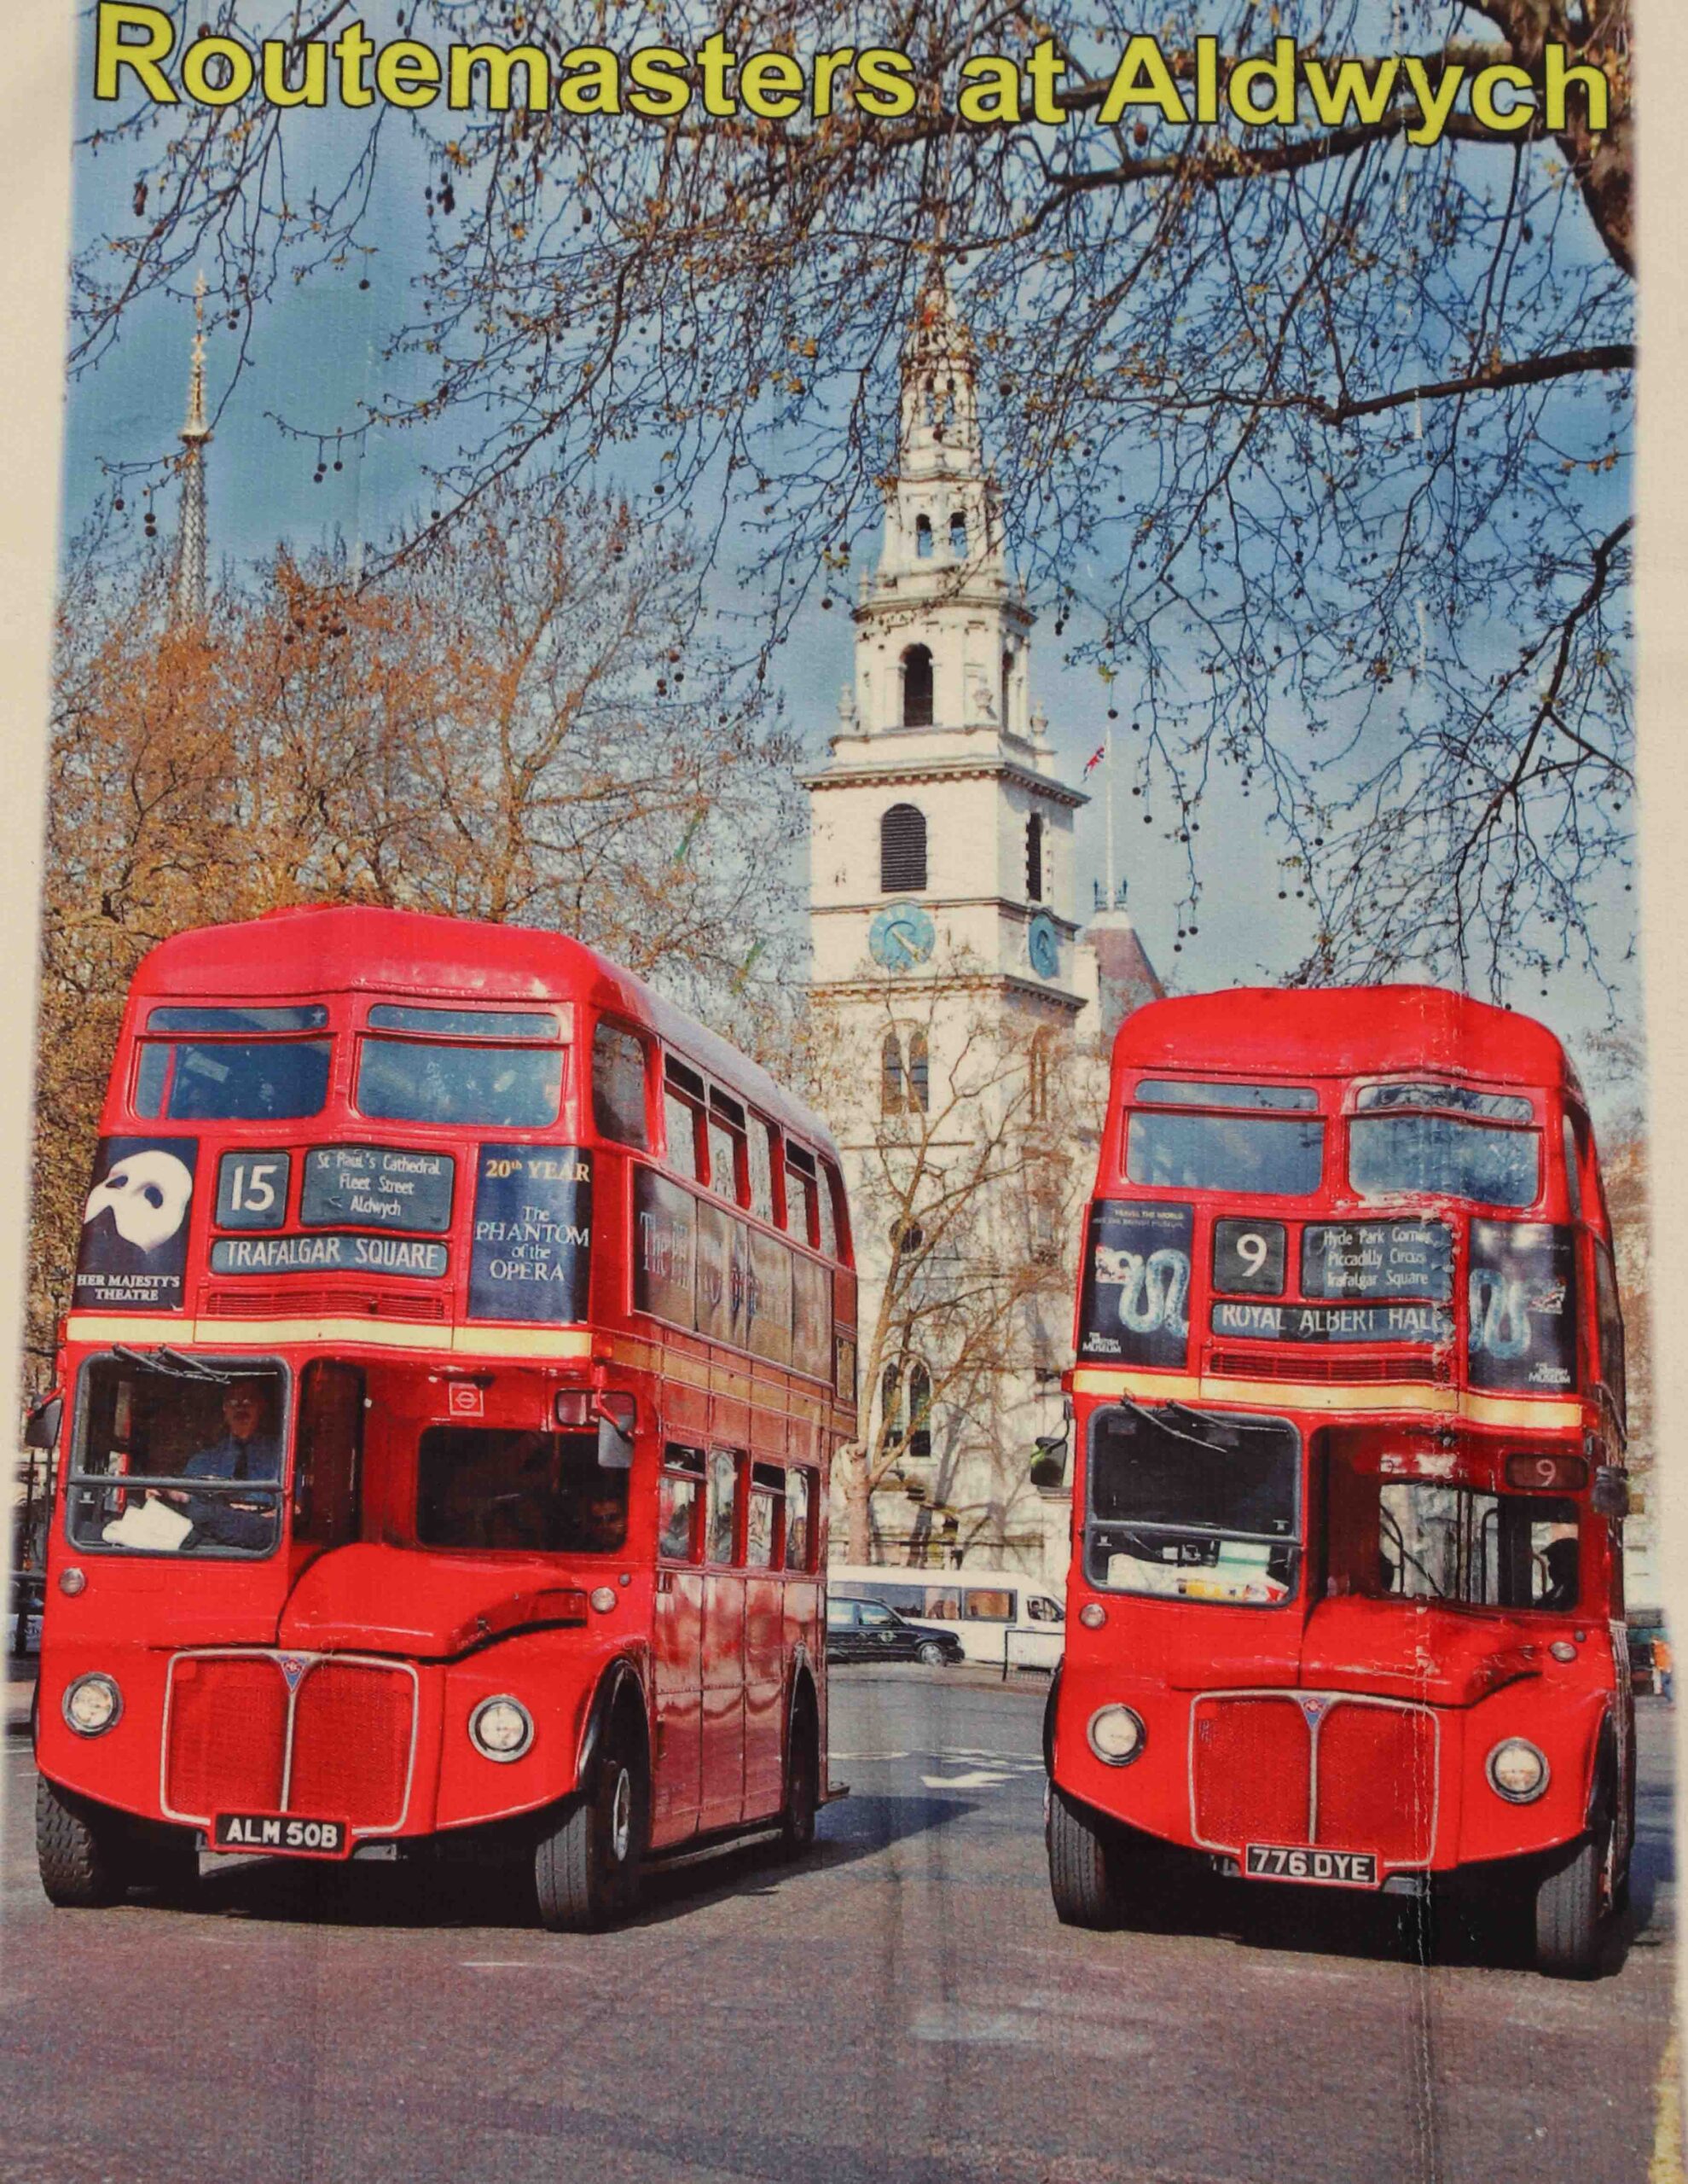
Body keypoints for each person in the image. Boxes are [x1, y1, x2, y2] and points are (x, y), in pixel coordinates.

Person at [173, 1379, 282, 1551]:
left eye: (248, 1401)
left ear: (261, 1407)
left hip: (264, 1543)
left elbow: (294, 1510)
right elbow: (187, 1501)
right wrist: (164, 1491)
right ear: (224, 1408)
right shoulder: (204, 1459)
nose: (240, 1407)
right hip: (213, 1545)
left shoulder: (281, 1456)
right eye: (233, 1401)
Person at [1655, 1634, 1673, 1704]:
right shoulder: (1659, 1647)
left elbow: (1667, 1656)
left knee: (1665, 1683)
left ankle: (1671, 1698)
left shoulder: (1662, 1646)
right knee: (1666, 1683)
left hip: (1665, 1668)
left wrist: (1668, 1666)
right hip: (1664, 1668)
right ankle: (1670, 1698)